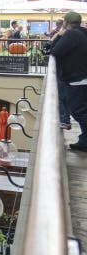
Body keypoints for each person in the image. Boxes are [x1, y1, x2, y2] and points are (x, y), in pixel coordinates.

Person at [50, 11, 87, 151]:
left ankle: (85, 141)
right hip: (82, 76)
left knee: (78, 111)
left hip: (76, 78)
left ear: (66, 23)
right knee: (81, 110)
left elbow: (55, 51)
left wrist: (59, 35)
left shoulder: (72, 34)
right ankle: (84, 141)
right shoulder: (82, 32)